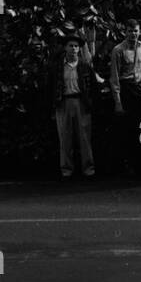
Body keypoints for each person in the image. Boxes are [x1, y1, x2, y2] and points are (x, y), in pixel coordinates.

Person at [49, 33, 98, 180]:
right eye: (71, 45)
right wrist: (53, 106)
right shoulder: (57, 67)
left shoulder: (84, 66)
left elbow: (93, 87)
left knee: (84, 138)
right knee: (65, 138)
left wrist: (91, 104)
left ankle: (88, 169)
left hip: (81, 103)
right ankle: (66, 170)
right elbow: (50, 87)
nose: (74, 48)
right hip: (63, 102)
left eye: (76, 46)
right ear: (65, 48)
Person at [109, 17, 141, 174]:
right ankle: (126, 164)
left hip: (139, 89)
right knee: (127, 129)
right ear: (125, 32)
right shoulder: (118, 50)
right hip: (125, 91)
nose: (133, 33)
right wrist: (118, 102)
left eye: (136, 30)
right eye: (130, 31)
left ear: (140, 31)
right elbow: (114, 77)